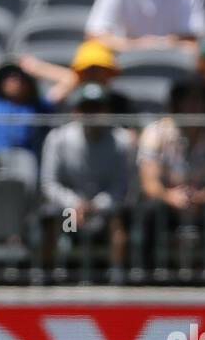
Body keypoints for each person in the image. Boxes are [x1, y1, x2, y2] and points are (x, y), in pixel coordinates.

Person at [137, 74, 205, 270]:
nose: (193, 106)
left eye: (199, 100)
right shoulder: (155, 132)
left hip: (203, 203)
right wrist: (169, 196)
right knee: (150, 210)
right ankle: (146, 274)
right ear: (177, 103)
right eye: (188, 100)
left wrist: (202, 197)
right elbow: (149, 183)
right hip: (167, 201)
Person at [39, 84, 134, 271]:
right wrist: (74, 204)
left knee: (120, 221)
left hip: (105, 213)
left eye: (97, 108)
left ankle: (116, 274)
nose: (92, 114)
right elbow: (49, 184)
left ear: (107, 111)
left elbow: (121, 185)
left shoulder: (122, 141)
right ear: (76, 112)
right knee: (50, 218)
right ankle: (51, 272)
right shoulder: (58, 138)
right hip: (69, 214)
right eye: (87, 108)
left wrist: (97, 205)